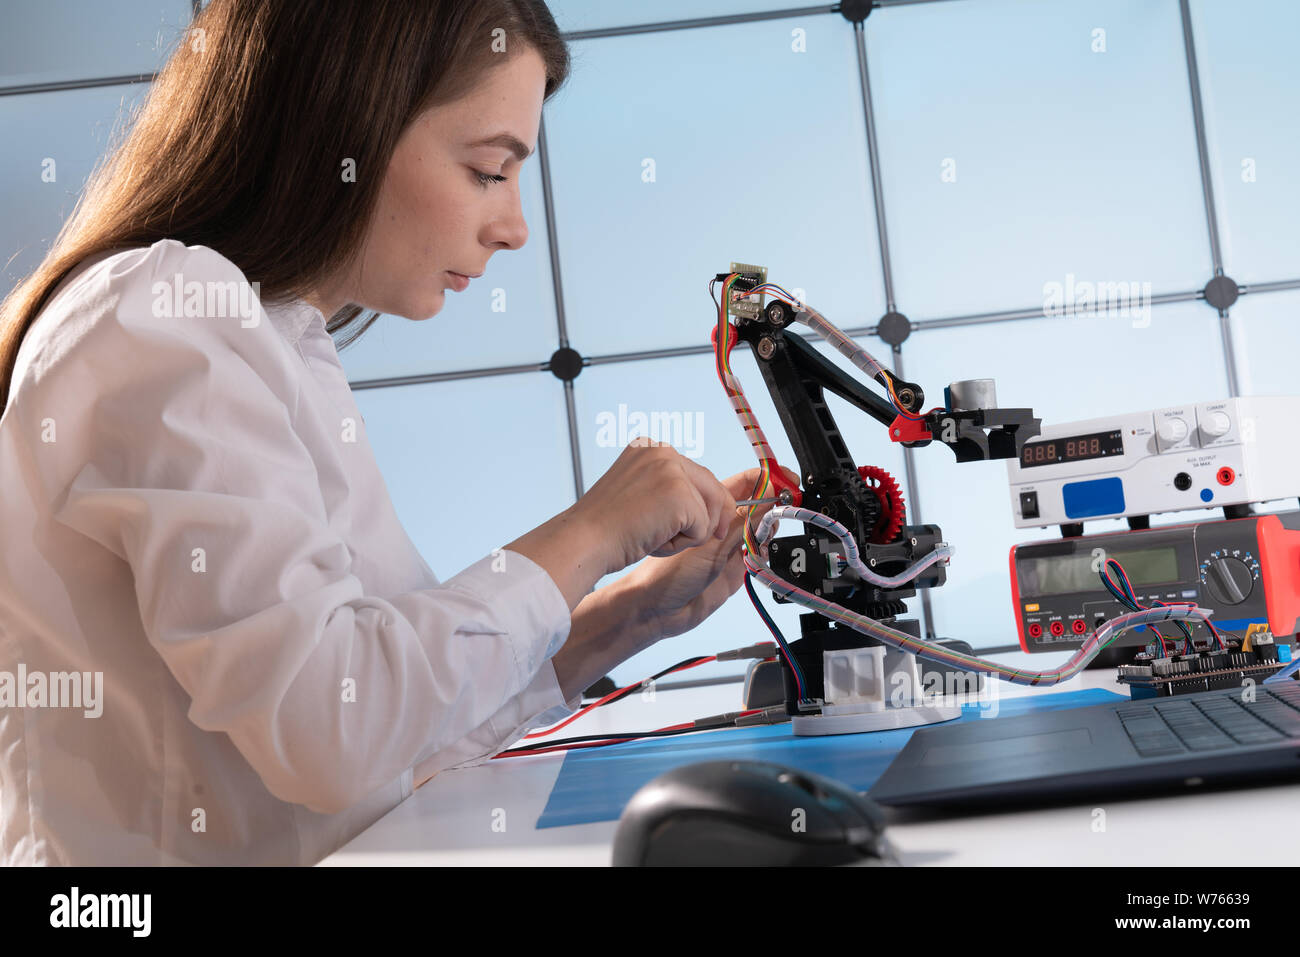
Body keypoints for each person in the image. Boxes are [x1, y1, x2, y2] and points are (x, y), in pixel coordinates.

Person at [0, 0, 794, 866]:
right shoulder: (162, 315)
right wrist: (592, 531)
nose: (513, 226)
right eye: (491, 170)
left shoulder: (272, 335)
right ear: (347, 123)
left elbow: (392, 735)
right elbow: (331, 732)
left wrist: (625, 616)